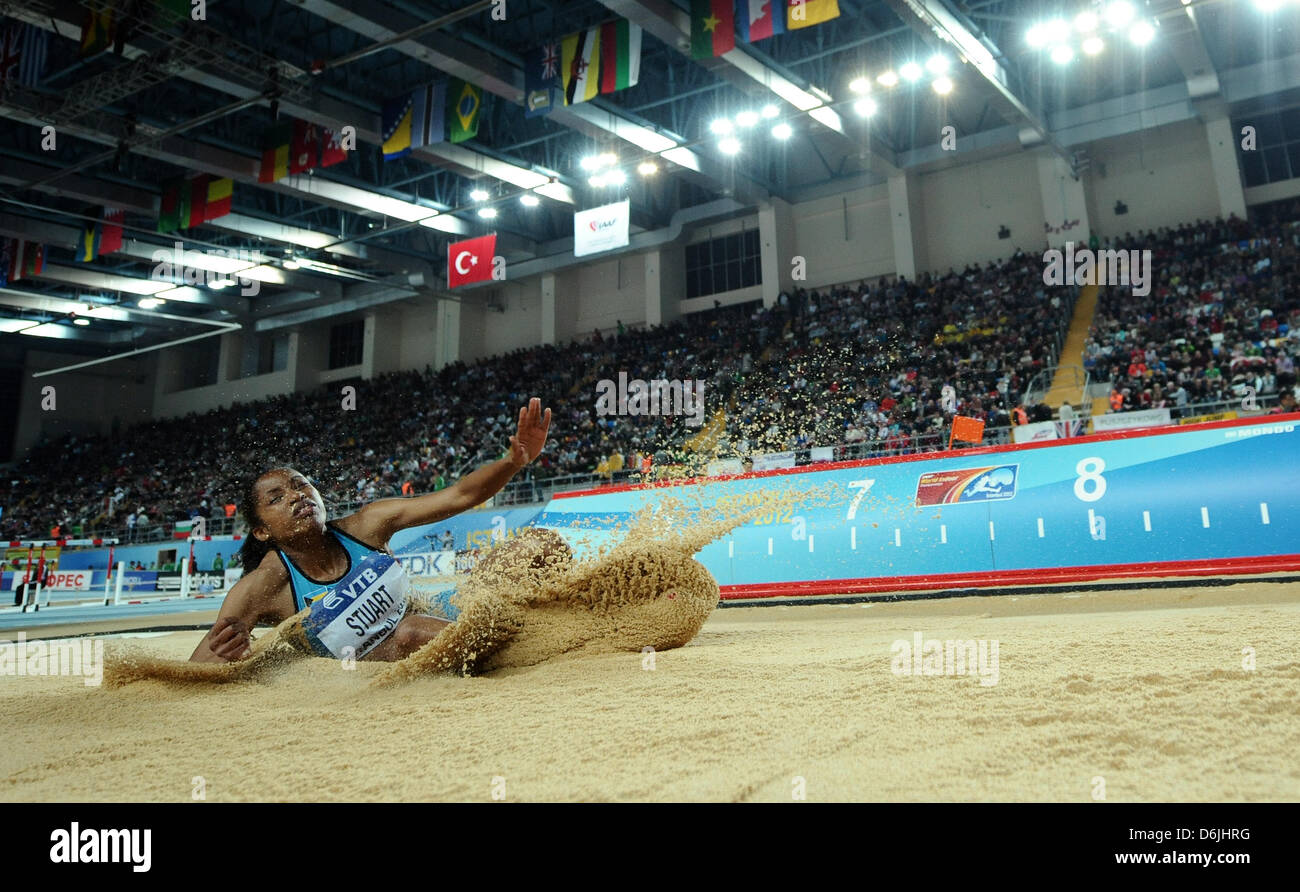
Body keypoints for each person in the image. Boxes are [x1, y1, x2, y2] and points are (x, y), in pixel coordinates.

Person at [190, 398, 562, 664]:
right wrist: (229, 654)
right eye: (277, 498)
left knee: (538, 544)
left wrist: (514, 461)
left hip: (444, 612)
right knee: (411, 632)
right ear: (261, 532)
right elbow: (203, 661)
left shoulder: (366, 526)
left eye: (302, 486)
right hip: (391, 653)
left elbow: (461, 494)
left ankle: (528, 628)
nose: (297, 497)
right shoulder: (265, 585)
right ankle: (531, 642)